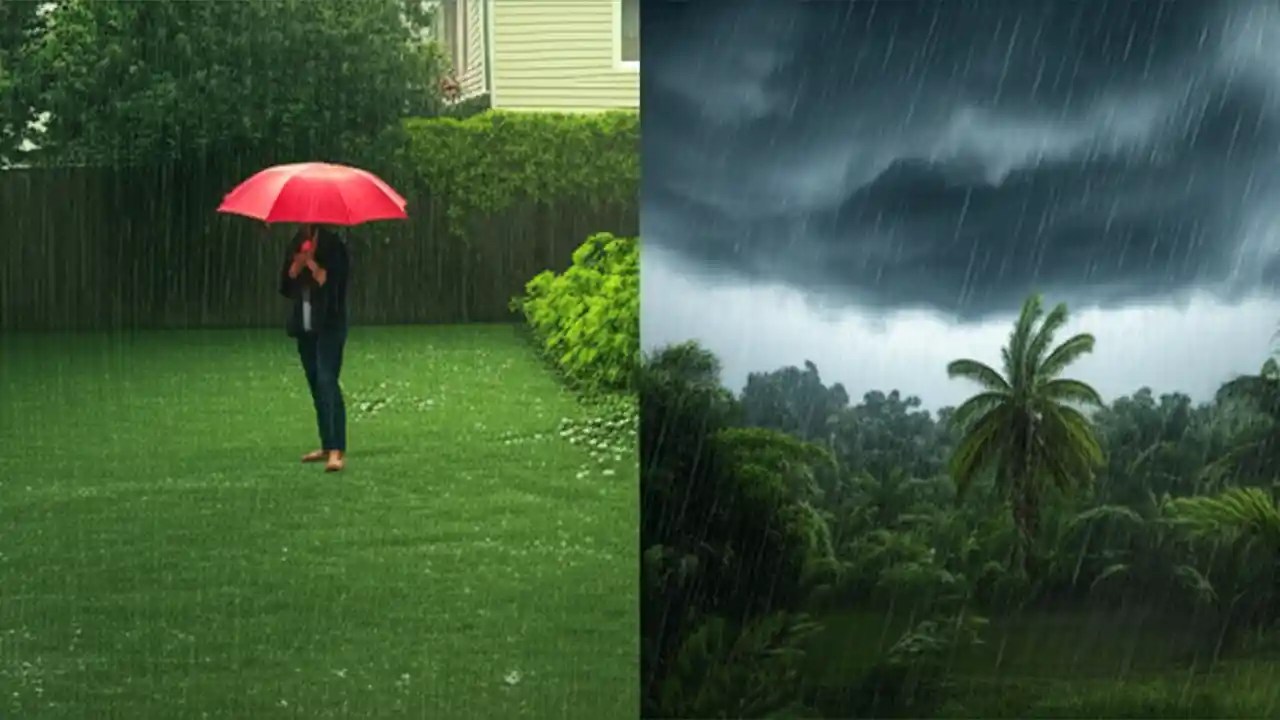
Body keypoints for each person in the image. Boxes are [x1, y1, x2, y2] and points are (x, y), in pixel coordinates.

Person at [279, 224, 351, 472]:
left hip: (330, 325)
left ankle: (337, 450)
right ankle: (326, 443)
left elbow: (333, 285)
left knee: (327, 379)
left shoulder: (334, 246)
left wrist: (313, 265)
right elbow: (286, 287)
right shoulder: (296, 241)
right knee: (315, 383)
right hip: (305, 326)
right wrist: (296, 266)